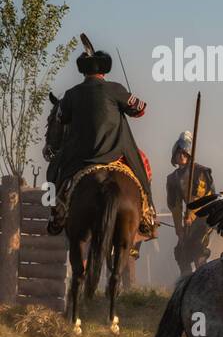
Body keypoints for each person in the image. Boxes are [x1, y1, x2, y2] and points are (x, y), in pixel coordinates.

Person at [47, 42, 157, 238]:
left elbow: (61, 117)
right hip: (116, 150)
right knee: (143, 169)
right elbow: (140, 109)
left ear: (83, 72)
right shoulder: (116, 89)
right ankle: (148, 213)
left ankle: (55, 213)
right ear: (104, 71)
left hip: (81, 155)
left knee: (53, 172)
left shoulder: (72, 94)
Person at [164, 131, 213, 275]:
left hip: (206, 215)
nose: (182, 156)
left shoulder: (200, 172)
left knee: (199, 251)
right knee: (181, 252)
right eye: (179, 153)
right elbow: (175, 205)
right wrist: (179, 228)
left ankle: (203, 284)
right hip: (188, 219)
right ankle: (186, 283)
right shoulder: (172, 178)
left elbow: (199, 197)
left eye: (185, 153)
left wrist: (190, 215)